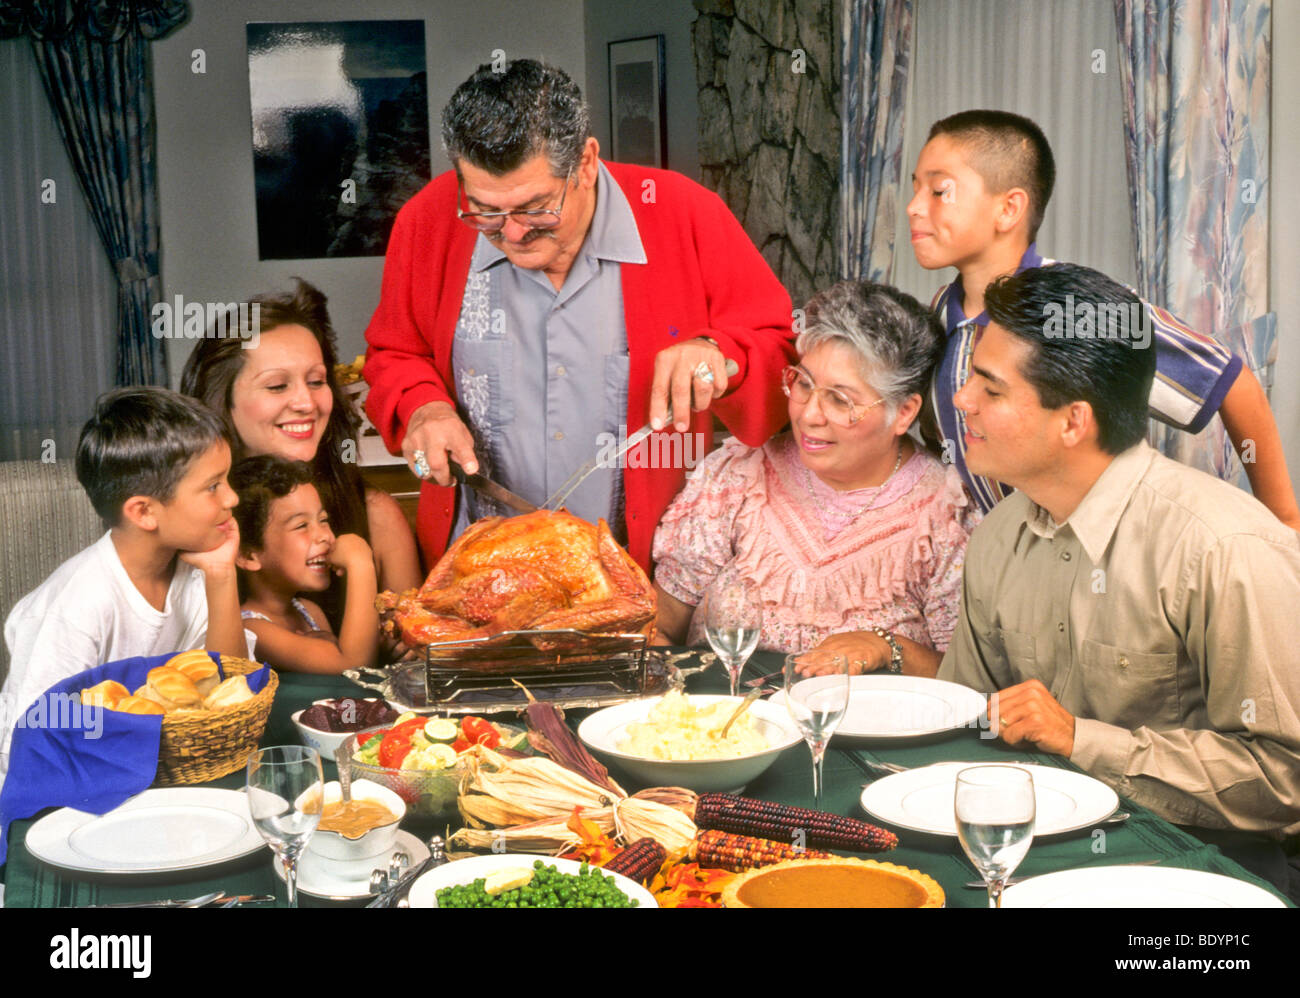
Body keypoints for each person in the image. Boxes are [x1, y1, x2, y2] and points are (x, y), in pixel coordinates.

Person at [938, 263, 1300, 893]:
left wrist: (1083, 741)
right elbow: (970, 722)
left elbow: (1285, 779)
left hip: (1203, 873)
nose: (962, 400)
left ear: (1074, 422)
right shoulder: (997, 536)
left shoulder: (1223, 548)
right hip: (1032, 855)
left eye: (990, 389)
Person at [362, 59, 797, 573]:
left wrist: (719, 355)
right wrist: (421, 408)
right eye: (485, 212)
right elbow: (394, 354)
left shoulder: (684, 213)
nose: (514, 233)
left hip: (645, 581)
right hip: (475, 574)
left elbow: (781, 360)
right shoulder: (427, 220)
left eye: (536, 208)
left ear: (587, 163)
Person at [906, 109, 1300, 529]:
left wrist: (1283, 520)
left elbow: (1228, 382)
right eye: (914, 189)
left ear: (1009, 209)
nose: (912, 207)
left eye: (938, 191)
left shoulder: (1076, 309)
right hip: (1002, 566)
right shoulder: (939, 311)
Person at [652, 281, 978, 673]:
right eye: (803, 384)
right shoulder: (738, 477)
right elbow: (660, 630)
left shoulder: (945, 515)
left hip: (865, 733)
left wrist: (886, 647)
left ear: (905, 413)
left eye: (840, 400)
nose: (809, 415)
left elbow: (966, 681)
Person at [0, 388, 249, 780]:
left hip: (158, 775)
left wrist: (222, 576)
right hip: (61, 787)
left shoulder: (194, 571)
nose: (232, 498)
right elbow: (28, 738)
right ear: (144, 511)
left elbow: (232, 689)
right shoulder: (78, 602)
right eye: (213, 486)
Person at [180, 278, 422, 599]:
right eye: (277, 385)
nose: (307, 403)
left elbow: (423, 641)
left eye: (316, 381)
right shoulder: (184, 523)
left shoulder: (375, 515)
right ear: (221, 401)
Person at [229, 456, 379, 674]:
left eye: (323, 520)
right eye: (301, 525)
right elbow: (354, 667)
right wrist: (361, 563)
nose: (325, 536)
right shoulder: (250, 629)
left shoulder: (310, 612)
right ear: (249, 556)